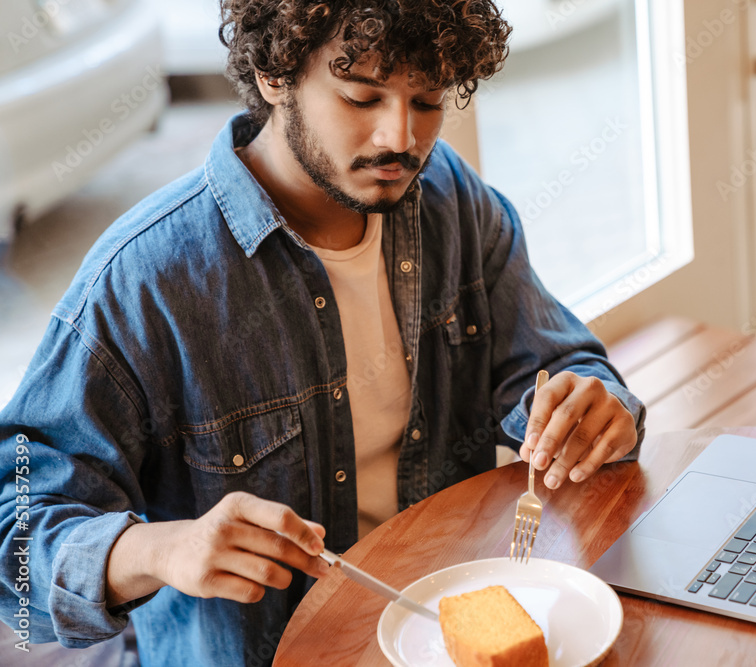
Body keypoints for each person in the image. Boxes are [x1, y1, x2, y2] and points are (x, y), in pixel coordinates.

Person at [0, 1, 645, 664]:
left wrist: (592, 405)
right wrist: (159, 549)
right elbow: (15, 538)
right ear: (275, 73)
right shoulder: (144, 280)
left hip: (446, 634)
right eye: (362, 97)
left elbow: (560, 362)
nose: (400, 137)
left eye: (426, 101)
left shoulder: (451, 199)